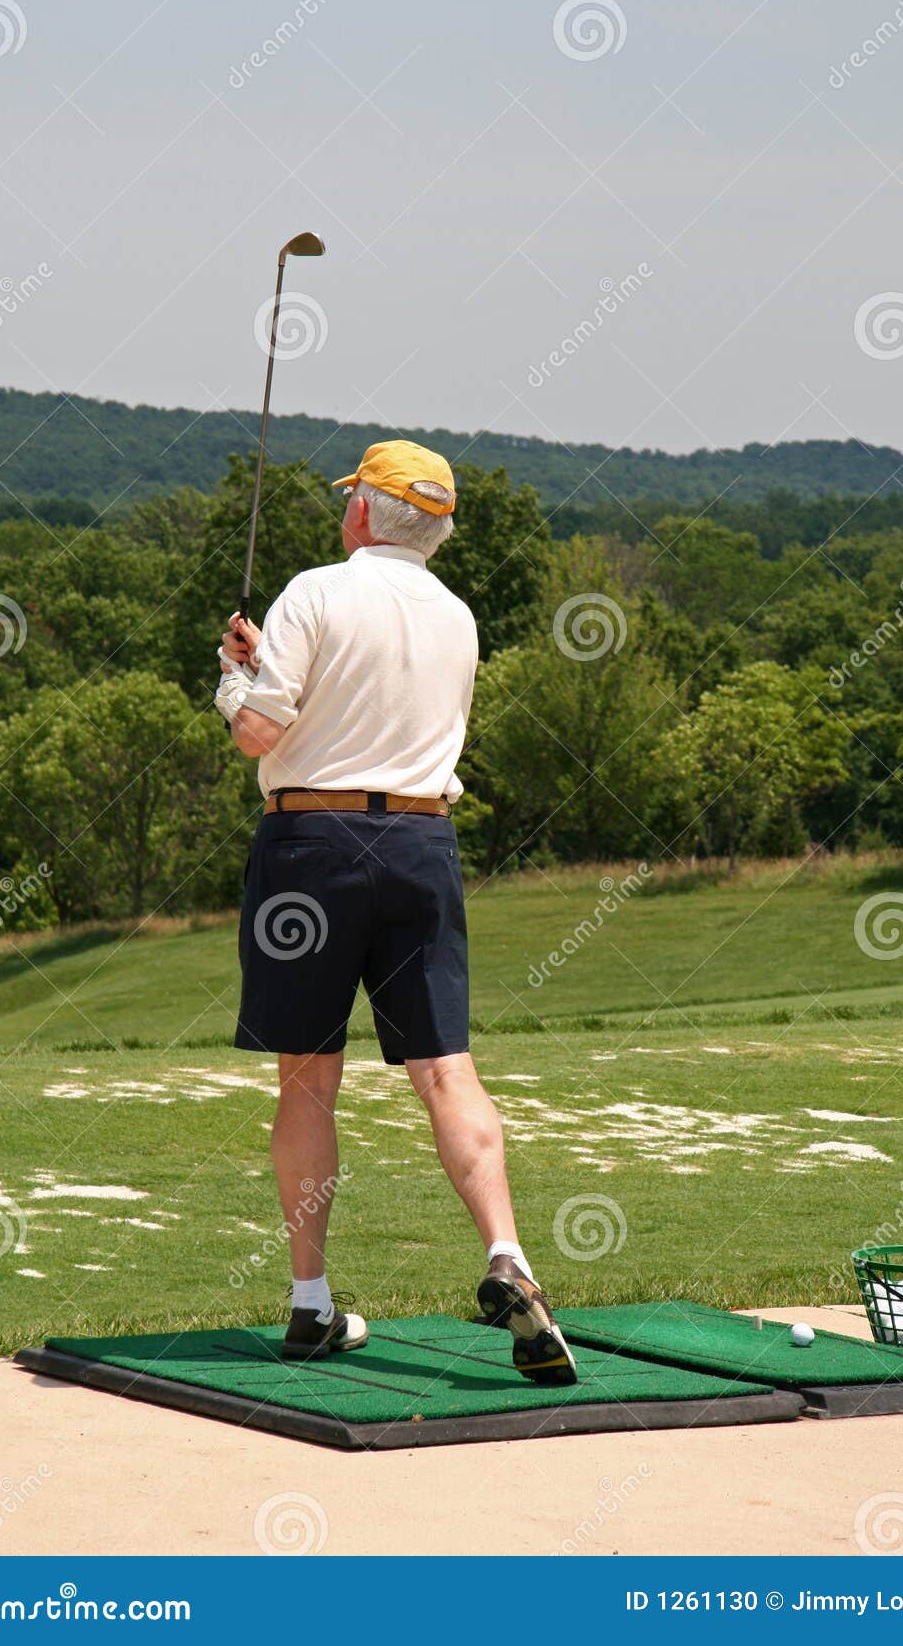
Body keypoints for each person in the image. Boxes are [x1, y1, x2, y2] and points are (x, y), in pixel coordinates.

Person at [215, 439, 576, 1383]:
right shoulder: (457, 617)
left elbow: (261, 729)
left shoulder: (315, 591)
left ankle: (309, 1307)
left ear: (366, 512)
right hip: (421, 847)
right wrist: (275, 673)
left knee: (306, 1078)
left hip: (311, 848)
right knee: (445, 1070)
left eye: (350, 501)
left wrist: (233, 680)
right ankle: (509, 1256)